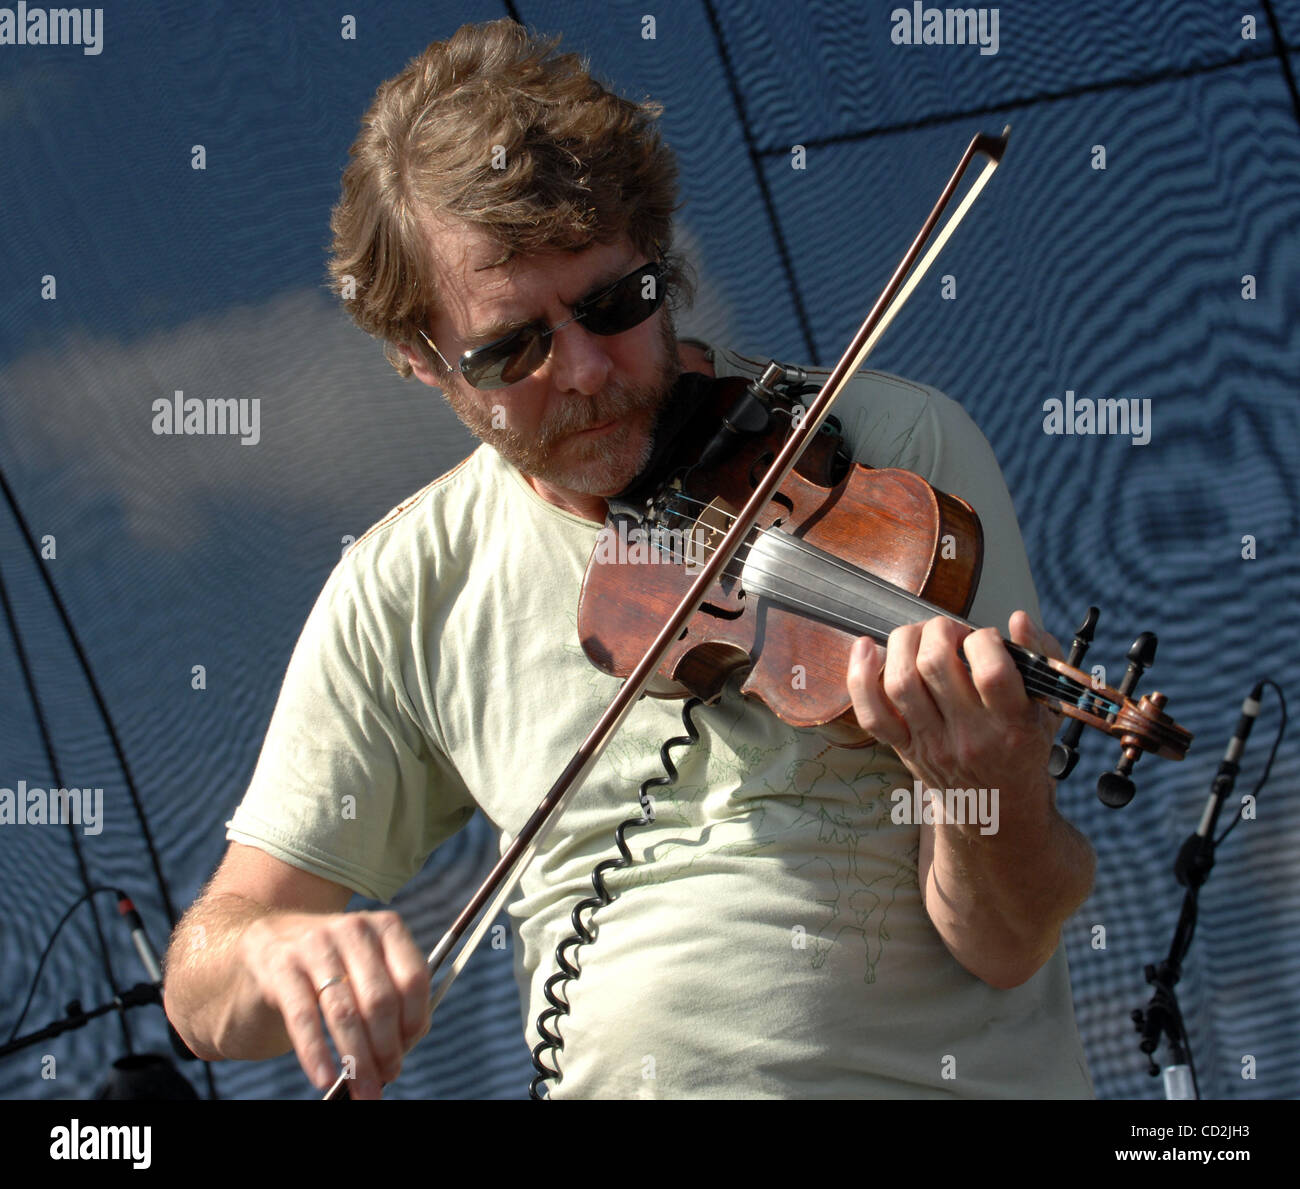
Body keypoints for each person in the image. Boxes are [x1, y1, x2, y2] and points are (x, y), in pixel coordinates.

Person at [162, 18, 1096, 1100]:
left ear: (659, 260)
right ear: (421, 362)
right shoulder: (402, 589)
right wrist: (274, 955)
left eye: (616, 304)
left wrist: (985, 784)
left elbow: (1006, 940)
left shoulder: (892, 458)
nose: (591, 370)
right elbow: (201, 989)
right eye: (514, 346)